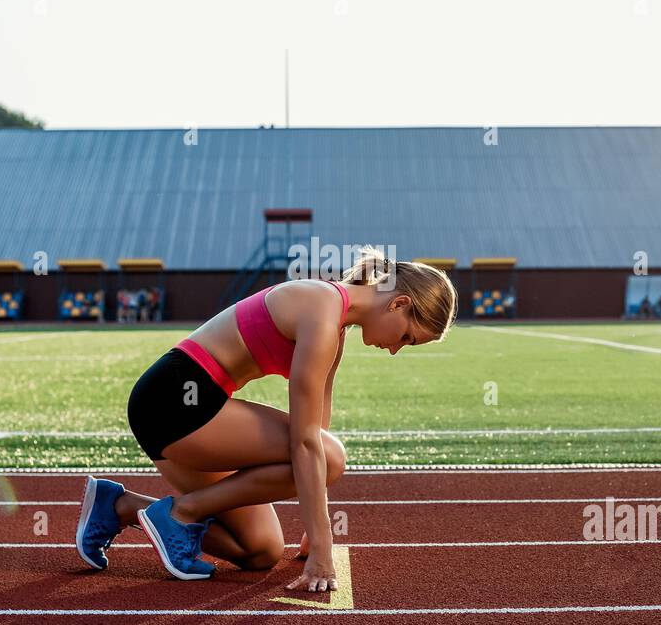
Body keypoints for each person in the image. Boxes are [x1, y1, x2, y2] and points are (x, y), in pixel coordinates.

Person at [75, 248, 458, 592]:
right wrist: (323, 547)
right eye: (407, 337)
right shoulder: (321, 310)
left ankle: (119, 506)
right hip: (174, 400)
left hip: (189, 410)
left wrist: (312, 526)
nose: (395, 350)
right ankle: (180, 513)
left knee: (259, 550)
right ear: (399, 303)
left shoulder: (334, 330)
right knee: (333, 457)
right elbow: (307, 444)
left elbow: (315, 432)